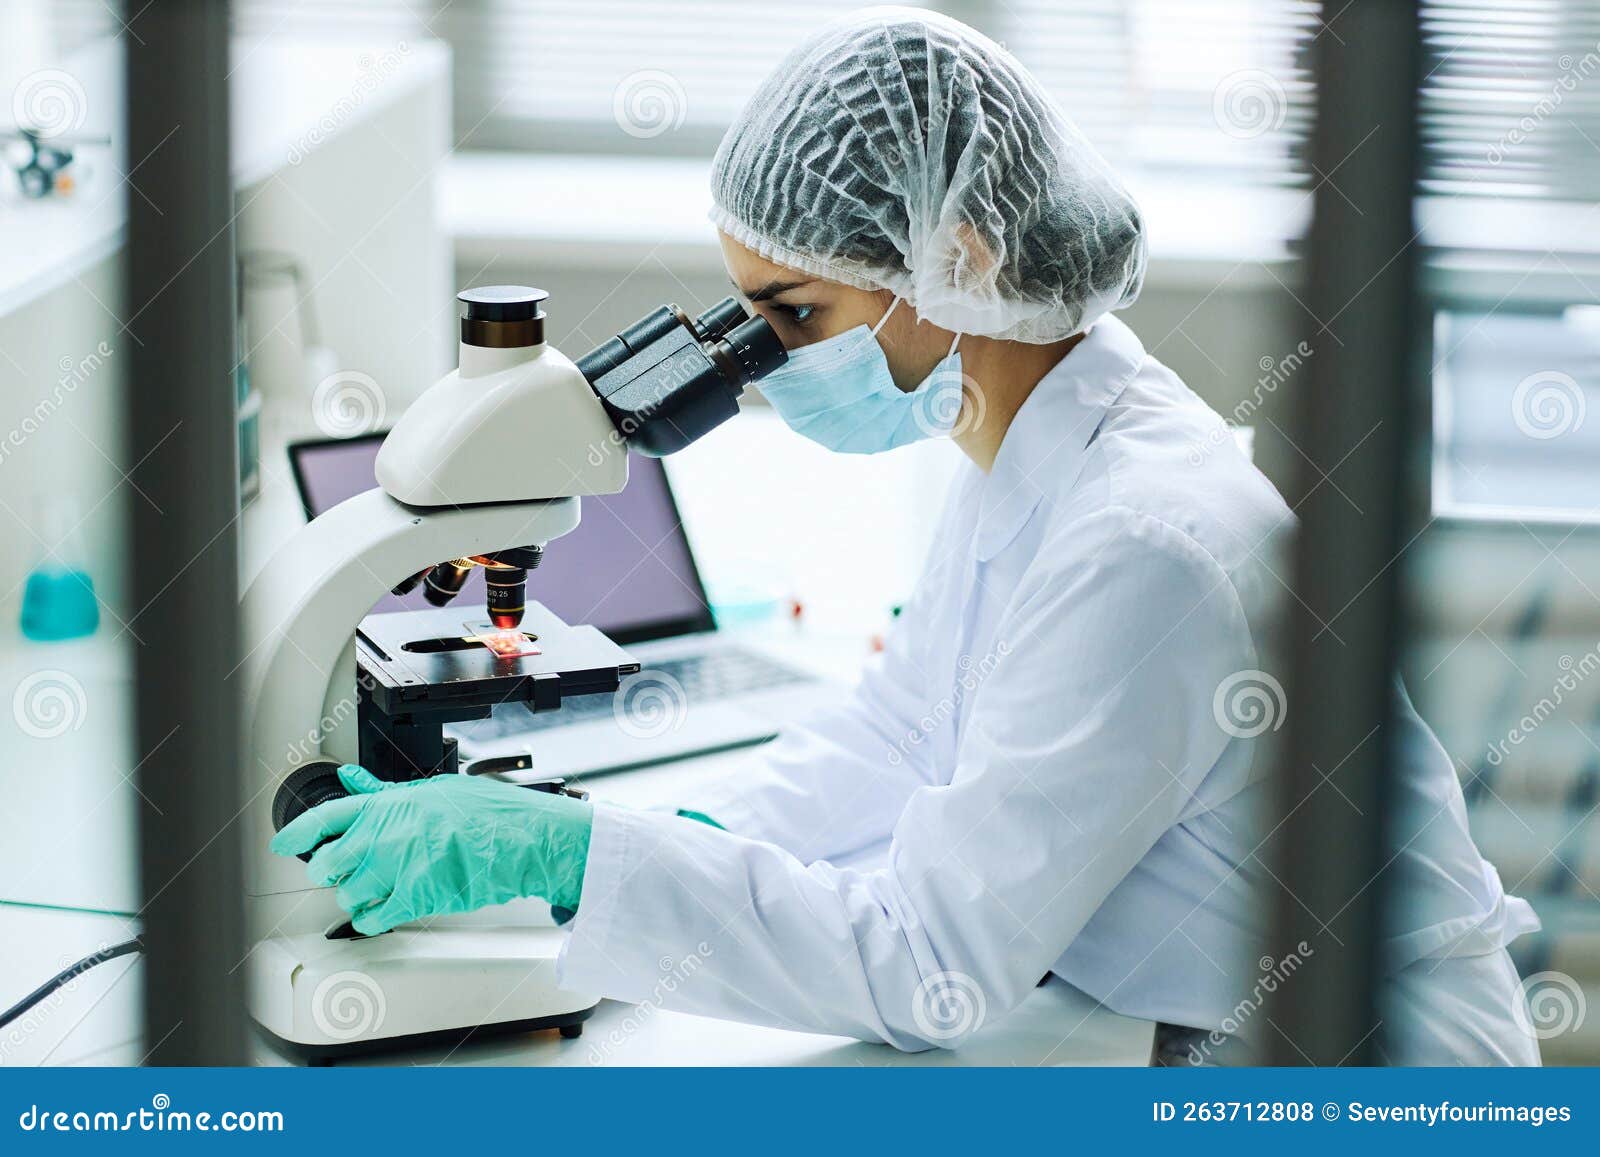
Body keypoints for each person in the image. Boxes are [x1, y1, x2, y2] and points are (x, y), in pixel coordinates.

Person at [272, 7, 1540, 1064]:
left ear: (959, 254)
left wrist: (578, 855)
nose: (764, 361)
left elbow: (935, 962)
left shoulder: (1143, 540)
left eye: (793, 311)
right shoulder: (1035, 446)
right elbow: (899, 733)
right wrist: (686, 836)